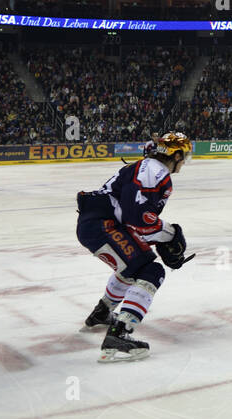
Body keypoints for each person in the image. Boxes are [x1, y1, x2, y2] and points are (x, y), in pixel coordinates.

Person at [77, 133, 194, 362]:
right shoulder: (155, 171)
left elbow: (135, 219)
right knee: (152, 271)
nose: (184, 161)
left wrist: (162, 236)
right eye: (184, 156)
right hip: (104, 225)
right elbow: (138, 218)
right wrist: (170, 235)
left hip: (98, 224)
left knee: (134, 266)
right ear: (176, 154)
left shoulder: (148, 168)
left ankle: (102, 312)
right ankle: (119, 334)